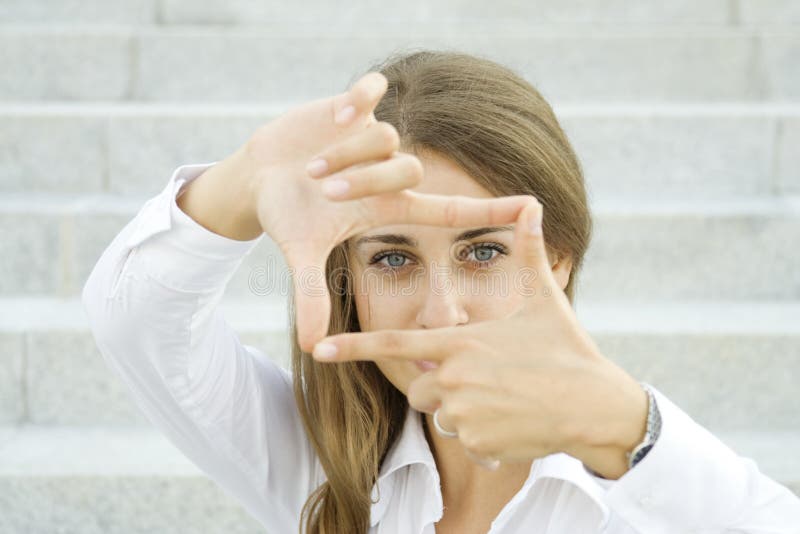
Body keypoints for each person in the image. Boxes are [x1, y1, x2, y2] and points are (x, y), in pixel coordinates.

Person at [82, 49, 800, 533]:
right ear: (349, 286)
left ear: (558, 260)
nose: (441, 313)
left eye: (482, 251)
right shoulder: (322, 466)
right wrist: (243, 179)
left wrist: (626, 429)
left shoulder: (650, 491)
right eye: (392, 260)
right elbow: (136, 320)